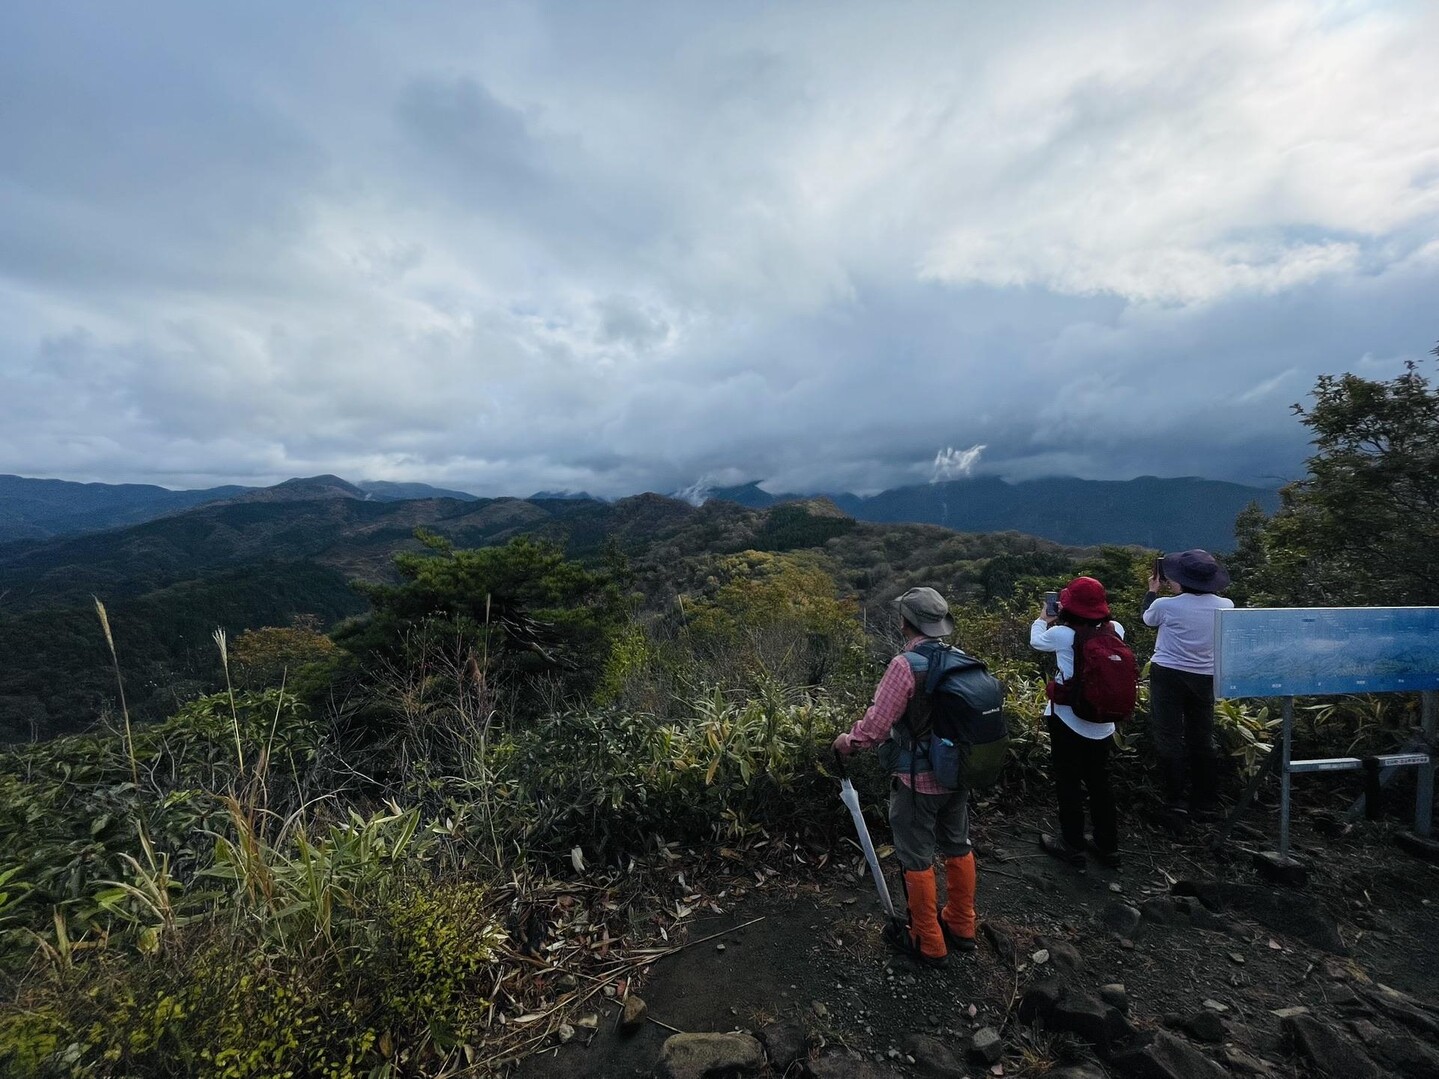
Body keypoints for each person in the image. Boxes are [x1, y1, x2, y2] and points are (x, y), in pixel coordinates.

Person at [831, 586, 977, 969]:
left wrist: (849, 741)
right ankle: (962, 924)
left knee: (916, 853)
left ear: (904, 623)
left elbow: (877, 727)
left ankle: (927, 939)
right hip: (958, 774)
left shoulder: (905, 665)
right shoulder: (961, 659)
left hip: (918, 779)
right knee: (958, 844)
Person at [1030, 577, 1124, 869]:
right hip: (1104, 721)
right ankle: (1107, 846)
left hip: (1068, 719)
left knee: (1069, 781)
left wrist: (1042, 618)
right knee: (1100, 782)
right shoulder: (1116, 629)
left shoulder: (1061, 634)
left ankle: (1072, 844)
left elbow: (1035, 640)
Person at [1143, 549, 1234, 827]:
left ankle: (1175, 801)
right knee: (1202, 736)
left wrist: (1152, 592)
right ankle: (1205, 801)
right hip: (1206, 676)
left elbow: (1147, 619)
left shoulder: (1166, 606)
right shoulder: (1226, 606)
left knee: (1169, 735)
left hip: (1168, 675)